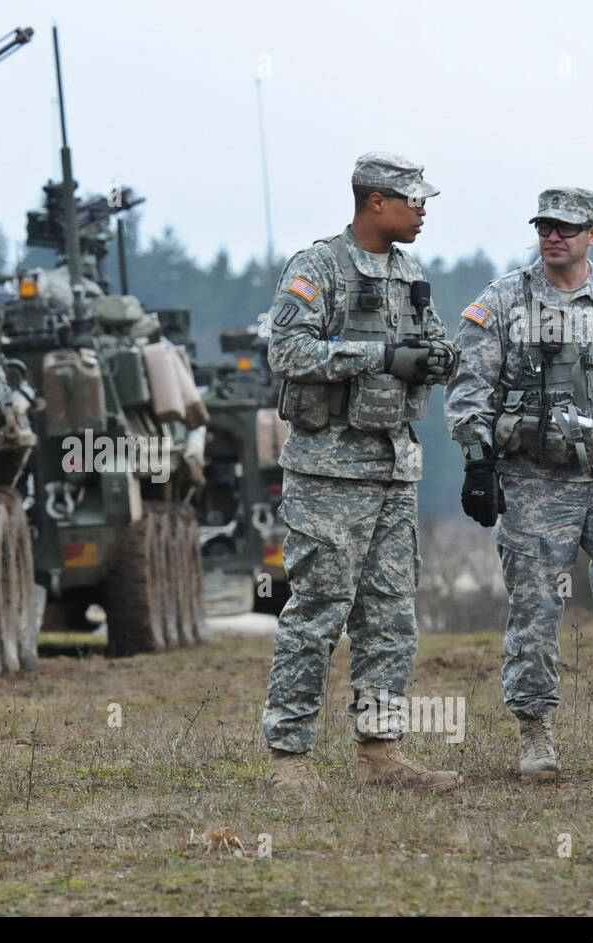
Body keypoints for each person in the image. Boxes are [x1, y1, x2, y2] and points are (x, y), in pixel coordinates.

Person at [445, 186, 593, 781]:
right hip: (534, 481)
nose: (554, 236)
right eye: (545, 226)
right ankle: (536, 733)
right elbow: (467, 392)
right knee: (537, 607)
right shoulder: (503, 300)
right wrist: (478, 465)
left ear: (592, 235)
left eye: (568, 228)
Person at [261, 151, 461, 795]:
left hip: (394, 468)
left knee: (390, 614)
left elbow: (431, 343)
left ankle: (381, 751)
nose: (423, 210)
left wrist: (435, 358)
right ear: (376, 201)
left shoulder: (410, 273)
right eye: (413, 200)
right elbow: (286, 349)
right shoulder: (317, 266)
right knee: (318, 608)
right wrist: (377, 354)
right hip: (327, 474)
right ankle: (289, 757)